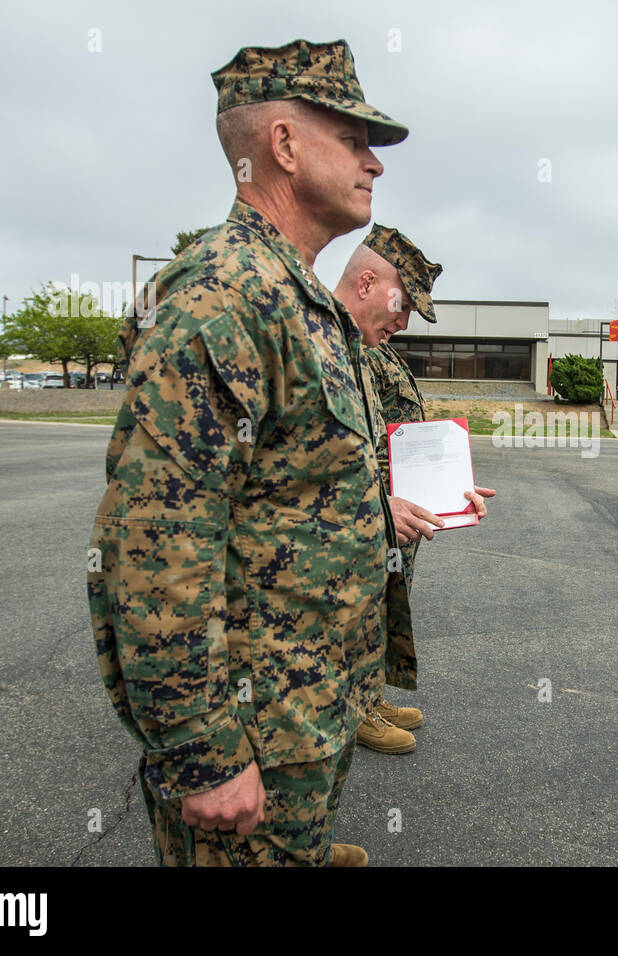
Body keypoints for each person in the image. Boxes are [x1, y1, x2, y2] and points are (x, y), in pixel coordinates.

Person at [88, 38, 417, 868]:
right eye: (353, 138)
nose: (373, 162)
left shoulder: (298, 297)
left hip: (308, 708)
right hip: (254, 730)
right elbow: (156, 541)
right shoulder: (223, 293)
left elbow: (289, 491)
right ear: (282, 145)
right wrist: (203, 749)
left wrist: (385, 514)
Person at [332, 223, 496, 755]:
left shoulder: (365, 345)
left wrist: (453, 489)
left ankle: (365, 698)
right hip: (359, 520)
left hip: (393, 508)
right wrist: (378, 505)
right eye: (403, 307)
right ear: (367, 281)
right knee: (357, 614)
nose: (403, 322)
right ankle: (351, 709)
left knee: (379, 608)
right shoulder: (332, 345)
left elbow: (393, 440)